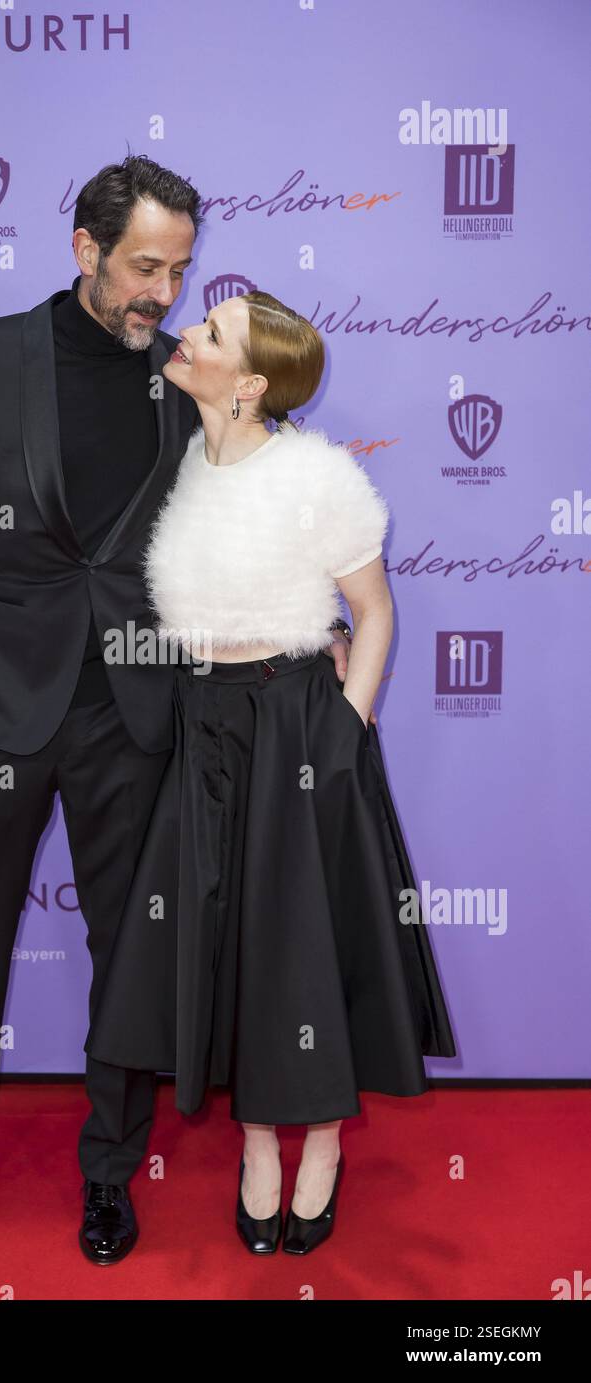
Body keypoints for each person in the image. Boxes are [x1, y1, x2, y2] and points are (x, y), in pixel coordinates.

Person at [0, 153, 356, 1267]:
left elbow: (248, 511)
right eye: (141, 267)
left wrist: (309, 624)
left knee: (132, 950)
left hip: (138, 709)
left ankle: (110, 1176)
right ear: (84, 249)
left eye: (176, 272)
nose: (161, 295)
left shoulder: (180, 382)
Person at [86, 289, 457, 1256]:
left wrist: (345, 723)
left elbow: (372, 612)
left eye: (209, 334)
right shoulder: (185, 465)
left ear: (249, 383)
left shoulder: (317, 476)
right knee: (228, 940)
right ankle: (258, 1148)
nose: (186, 336)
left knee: (302, 941)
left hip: (298, 731)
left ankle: (322, 1147)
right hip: (204, 729)